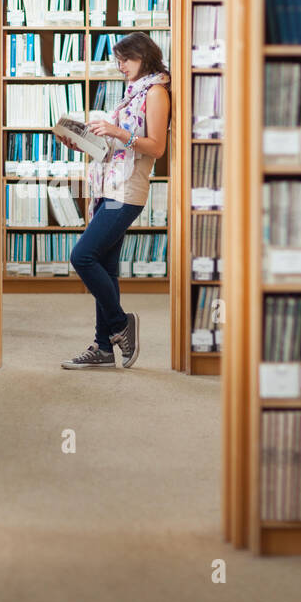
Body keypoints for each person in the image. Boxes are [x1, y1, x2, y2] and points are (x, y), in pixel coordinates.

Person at [58, 32, 170, 369]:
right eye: (118, 60)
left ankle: (121, 324)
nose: (120, 66)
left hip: (127, 192)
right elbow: (117, 149)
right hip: (107, 186)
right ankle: (104, 348)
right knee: (106, 267)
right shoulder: (131, 94)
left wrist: (118, 132)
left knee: (83, 256)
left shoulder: (156, 92)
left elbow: (156, 147)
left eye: (126, 59)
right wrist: (85, 142)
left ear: (144, 57)